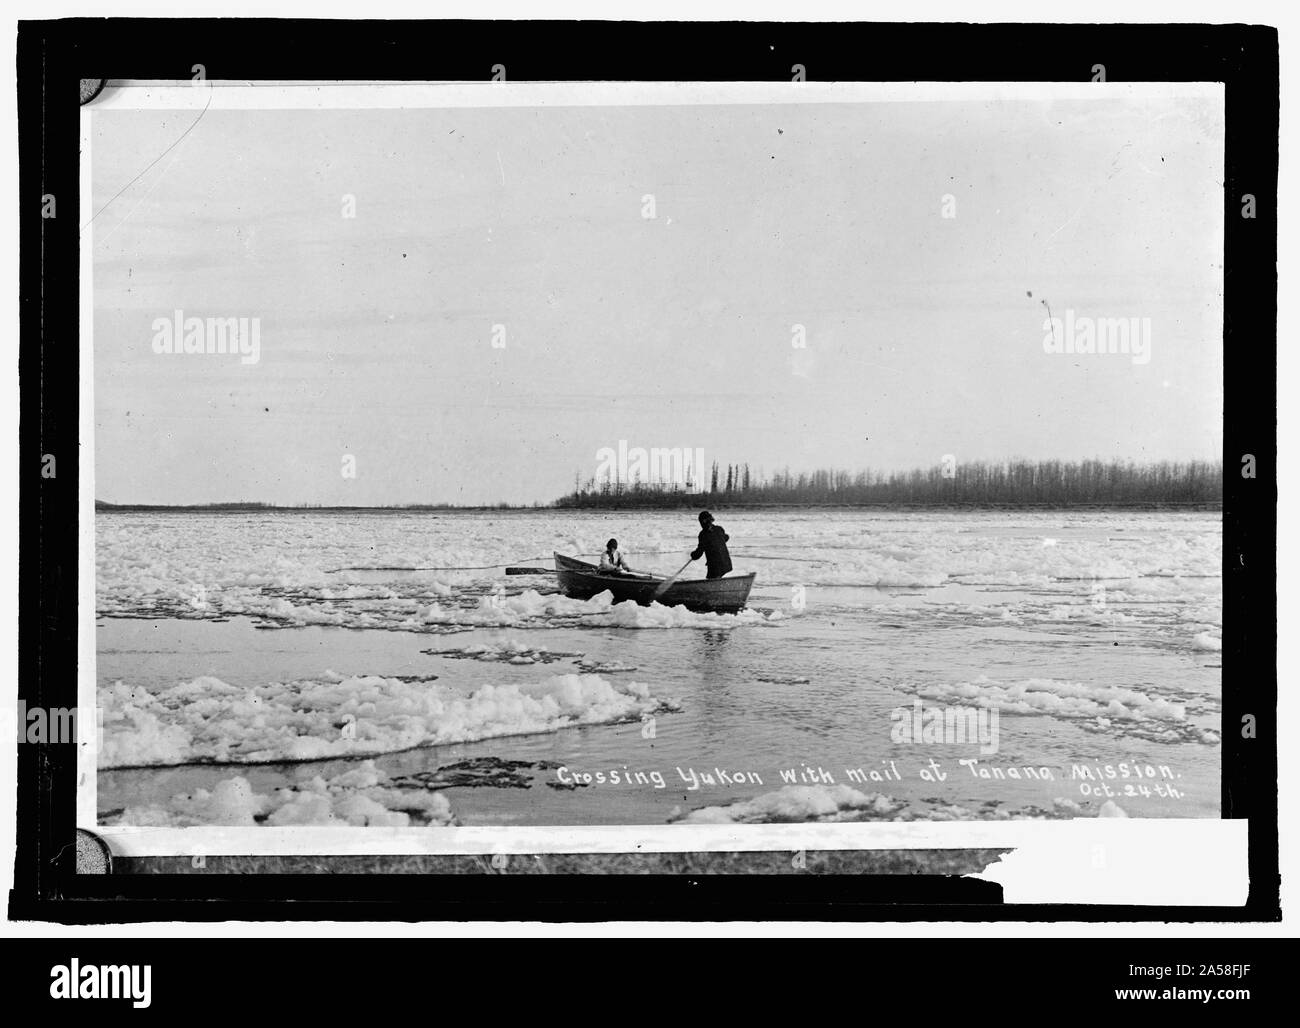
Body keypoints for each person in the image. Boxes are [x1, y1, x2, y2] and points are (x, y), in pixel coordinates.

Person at [690, 510, 732, 579]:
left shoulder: (703, 534)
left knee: (712, 577)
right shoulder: (719, 529)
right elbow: (726, 537)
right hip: (726, 562)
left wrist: (693, 555)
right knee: (716, 576)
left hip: (715, 565)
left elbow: (699, 551)